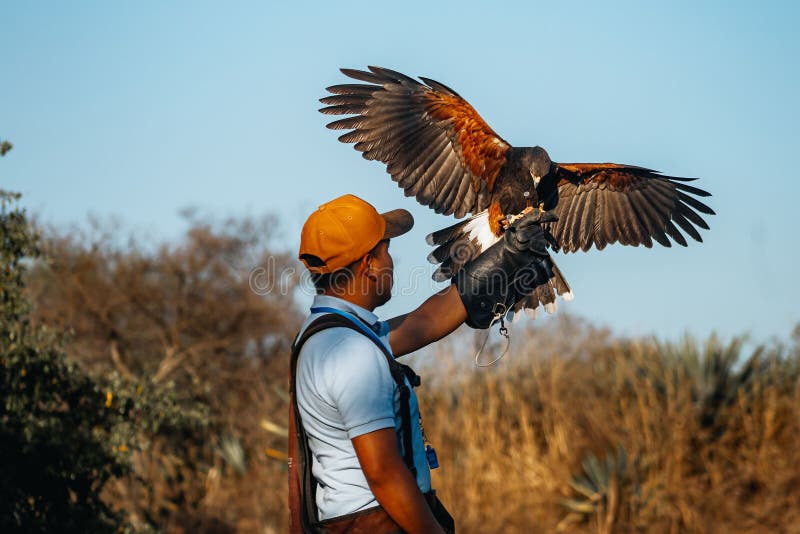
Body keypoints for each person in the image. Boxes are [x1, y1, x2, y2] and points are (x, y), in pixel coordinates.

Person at [289, 194, 554, 533]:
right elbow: (384, 475)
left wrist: (507, 256)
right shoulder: (352, 353)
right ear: (369, 265)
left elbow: (423, 322)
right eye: (386, 251)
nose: (391, 261)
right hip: (378, 522)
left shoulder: (327, 334)